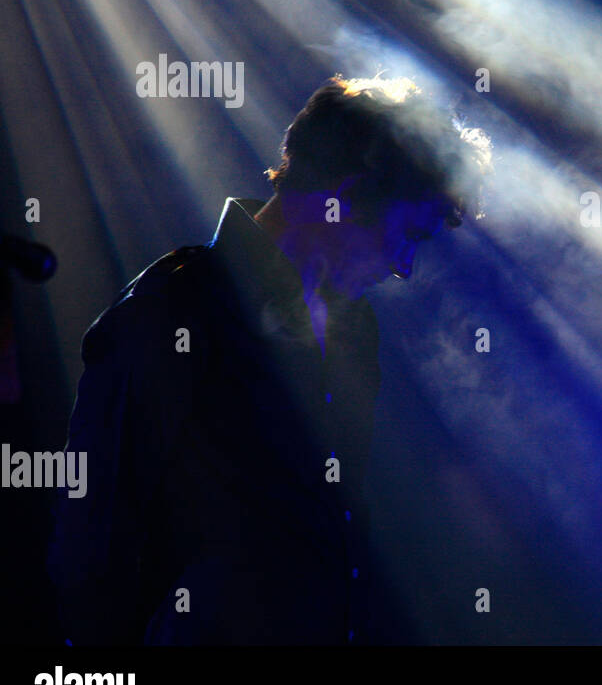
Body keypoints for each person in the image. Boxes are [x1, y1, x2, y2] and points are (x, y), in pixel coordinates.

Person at [47, 75, 490, 644]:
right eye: (407, 234)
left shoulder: (356, 330)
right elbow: (92, 538)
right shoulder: (180, 305)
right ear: (345, 194)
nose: (404, 266)